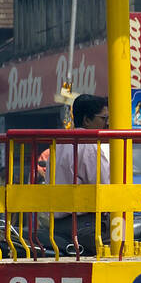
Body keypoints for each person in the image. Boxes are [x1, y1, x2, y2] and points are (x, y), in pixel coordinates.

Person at [38, 94, 110, 255]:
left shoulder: (59, 144)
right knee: (124, 245)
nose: (107, 123)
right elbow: (105, 187)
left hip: (57, 226)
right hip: (85, 228)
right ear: (86, 120)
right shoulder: (89, 146)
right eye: (103, 118)